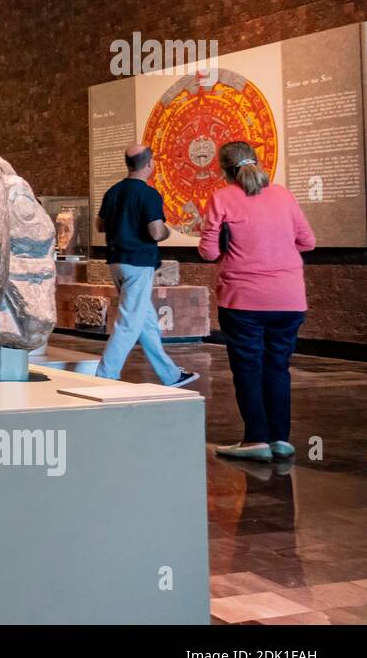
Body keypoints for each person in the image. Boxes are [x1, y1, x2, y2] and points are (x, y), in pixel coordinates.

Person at [199, 141, 315, 461]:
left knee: (248, 368)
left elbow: (208, 252)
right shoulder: (283, 195)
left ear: (224, 170)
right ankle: (280, 438)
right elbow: (308, 241)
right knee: (277, 367)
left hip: (243, 300)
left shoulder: (221, 198)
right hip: (289, 298)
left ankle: (255, 440)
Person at [94, 144, 199, 388]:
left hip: (117, 262)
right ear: (149, 164)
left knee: (146, 321)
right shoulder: (149, 194)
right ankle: (106, 375)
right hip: (138, 263)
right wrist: (166, 232)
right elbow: (154, 232)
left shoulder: (113, 191)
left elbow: (101, 225)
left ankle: (170, 375)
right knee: (129, 322)